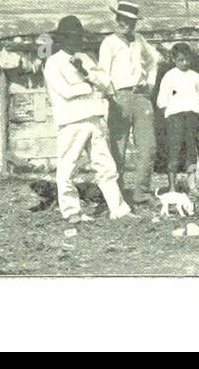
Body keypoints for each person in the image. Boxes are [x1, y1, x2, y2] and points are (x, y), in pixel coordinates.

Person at [43, 16, 132, 223]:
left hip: (95, 117)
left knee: (106, 166)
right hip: (71, 120)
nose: (78, 41)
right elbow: (65, 91)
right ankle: (71, 211)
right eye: (73, 38)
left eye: (79, 37)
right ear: (63, 39)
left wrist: (86, 73)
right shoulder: (53, 62)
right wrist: (89, 86)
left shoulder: (86, 58)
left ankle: (119, 210)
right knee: (67, 167)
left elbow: (105, 82)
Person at [98, 0, 161, 205]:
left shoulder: (140, 40)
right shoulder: (109, 42)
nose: (127, 24)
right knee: (118, 147)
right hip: (120, 97)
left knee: (148, 146)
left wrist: (150, 84)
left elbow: (153, 62)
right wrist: (111, 95)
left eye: (131, 21)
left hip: (141, 96)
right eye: (124, 20)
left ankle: (141, 191)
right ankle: (117, 194)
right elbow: (102, 73)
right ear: (117, 20)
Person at [157, 42, 199, 196]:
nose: (184, 63)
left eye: (187, 60)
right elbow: (162, 99)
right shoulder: (170, 75)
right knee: (174, 150)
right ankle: (172, 187)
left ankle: (192, 185)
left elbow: (197, 94)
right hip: (175, 116)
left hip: (191, 116)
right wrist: (169, 116)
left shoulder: (195, 76)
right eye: (181, 60)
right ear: (174, 59)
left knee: (192, 151)